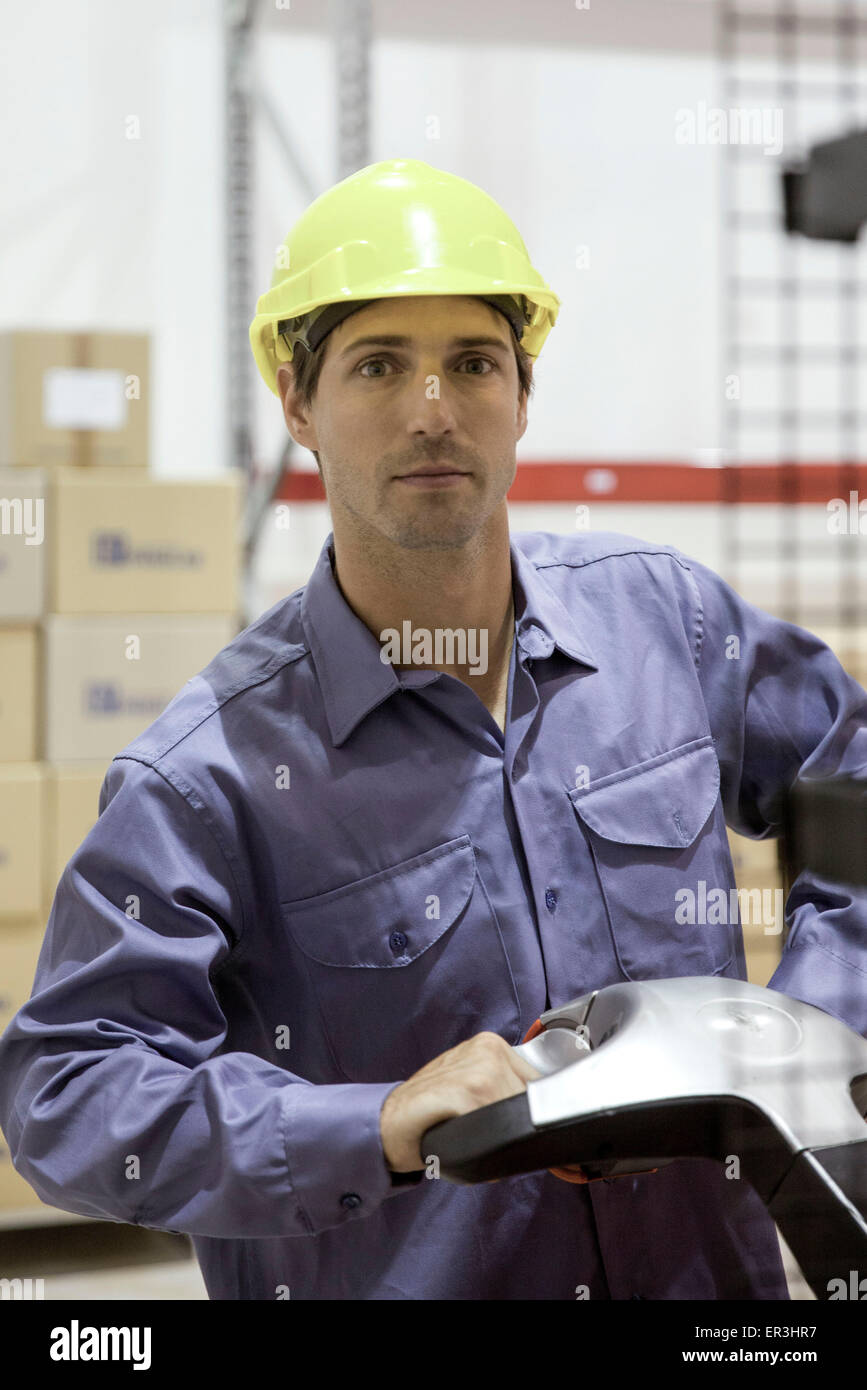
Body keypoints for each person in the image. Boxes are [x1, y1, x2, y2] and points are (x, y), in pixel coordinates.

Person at [1, 158, 866, 1301]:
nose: (432, 410)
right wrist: (380, 1124)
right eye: (378, 366)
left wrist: (805, 1024)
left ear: (522, 394)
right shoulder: (208, 775)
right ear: (297, 403)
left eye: (473, 363)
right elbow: (66, 1096)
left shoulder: (672, 624)